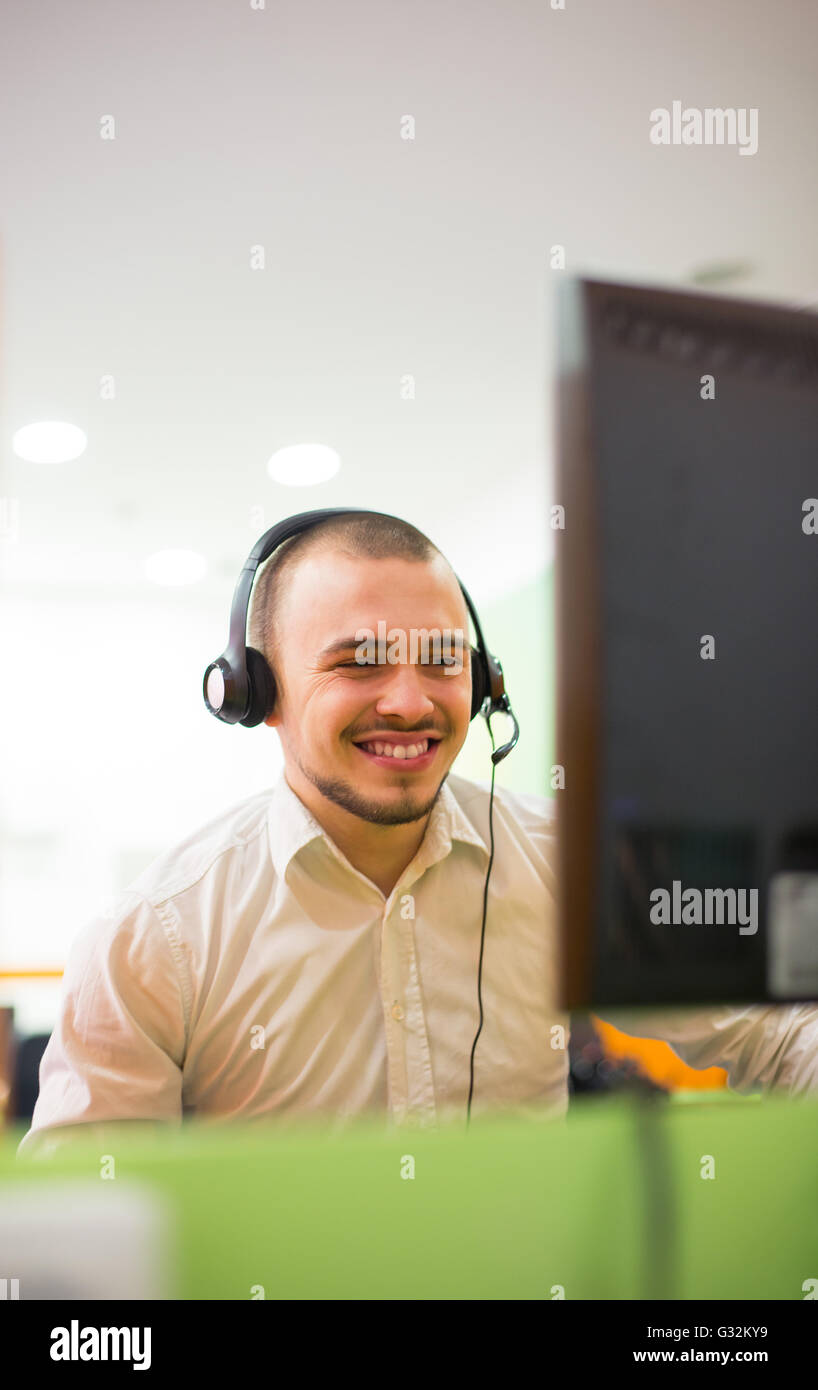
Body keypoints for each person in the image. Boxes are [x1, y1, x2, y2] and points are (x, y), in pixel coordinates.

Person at [16, 513, 818, 1157]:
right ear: (255, 691)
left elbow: (784, 1032)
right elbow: (95, 1233)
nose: (410, 702)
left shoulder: (574, 865)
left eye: (443, 661)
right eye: (358, 664)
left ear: (483, 682)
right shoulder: (151, 941)